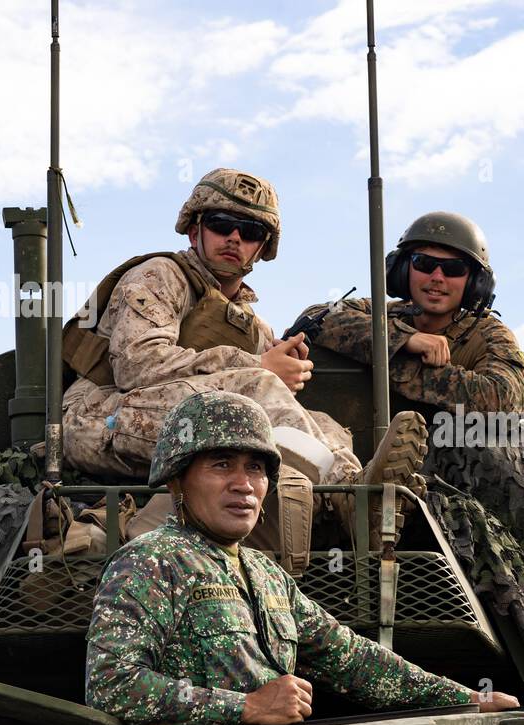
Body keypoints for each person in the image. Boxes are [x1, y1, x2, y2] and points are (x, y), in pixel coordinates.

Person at [84, 390, 519, 725]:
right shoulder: (149, 561)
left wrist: (464, 699)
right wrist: (247, 707)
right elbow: (110, 685)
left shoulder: (265, 574)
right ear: (178, 479)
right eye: (221, 465)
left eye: (255, 468)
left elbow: (353, 660)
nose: (244, 485)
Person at [60, 168, 428, 556]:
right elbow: (138, 365)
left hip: (189, 424)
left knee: (326, 428)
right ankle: (350, 499)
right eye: (222, 224)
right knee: (258, 391)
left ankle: (350, 494)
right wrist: (259, 368)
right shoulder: (159, 276)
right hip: (99, 417)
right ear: (194, 230)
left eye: (250, 232)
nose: (235, 238)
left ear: (262, 248)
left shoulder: (251, 324)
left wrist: (274, 368)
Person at [300, 211, 524, 415]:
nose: (438, 277)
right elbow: (314, 318)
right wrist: (403, 338)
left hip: (443, 455)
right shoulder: (383, 313)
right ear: (401, 270)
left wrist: (391, 365)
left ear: (475, 283)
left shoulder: (489, 335)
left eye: (454, 269)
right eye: (424, 263)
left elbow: (506, 400)